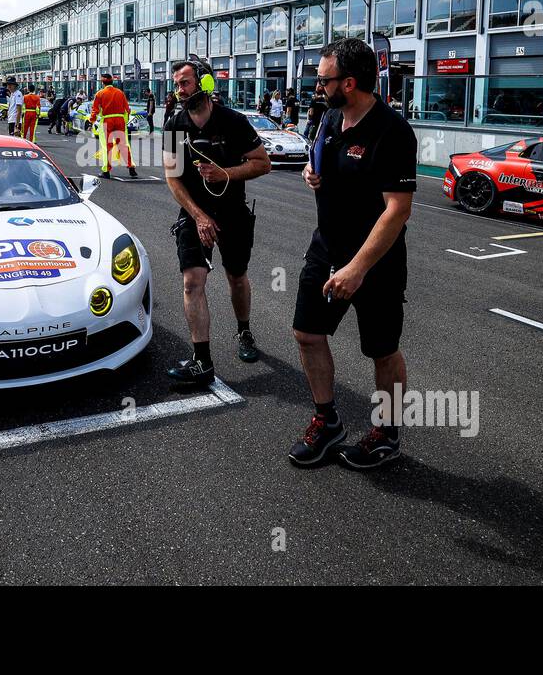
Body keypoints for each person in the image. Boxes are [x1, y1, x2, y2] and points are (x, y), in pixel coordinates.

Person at [290, 39, 415, 469]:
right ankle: (327, 422)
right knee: (307, 333)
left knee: (382, 351)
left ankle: (386, 433)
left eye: (324, 79)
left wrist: (358, 269)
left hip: (374, 263)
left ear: (349, 82)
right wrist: (313, 172)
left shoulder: (392, 131)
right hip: (326, 246)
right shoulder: (329, 119)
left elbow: (398, 210)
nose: (317, 86)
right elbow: (325, 162)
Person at [163, 59, 271, 384]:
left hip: (233, 214)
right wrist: (198, 216)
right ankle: (202, 361)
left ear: (205, 84)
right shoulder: (173, 124)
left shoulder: (234, 122)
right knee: (192, 282)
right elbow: (172, 176)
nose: (180, 90)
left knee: (237, 278)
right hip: (195, 215)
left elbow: (263, 163)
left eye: (185, 83)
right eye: (177, 85)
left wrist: (226, 173)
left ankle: (244, 331)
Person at [91, 73, 137, 179]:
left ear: (102, 83)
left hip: (107, 120)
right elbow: (127, 109)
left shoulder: (100, 93)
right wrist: (124, 121)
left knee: (107, 146)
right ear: (112, 82)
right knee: (123, 144)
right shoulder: (120, 92)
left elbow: (95, 110)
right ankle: (131, 167)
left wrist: (92, 121)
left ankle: (106, 171)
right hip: (120, 119)